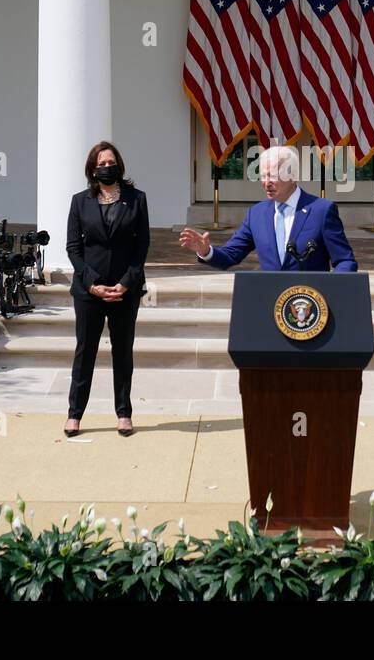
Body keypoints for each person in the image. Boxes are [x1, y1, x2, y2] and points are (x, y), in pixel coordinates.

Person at [64, 141, 149, 438]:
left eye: (110, 162)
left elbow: (142, 246)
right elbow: (73, 248)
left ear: (119, 165)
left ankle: (123, 413)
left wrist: (126, 282)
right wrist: (92, 284)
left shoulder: (137, 199)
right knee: (84, 351)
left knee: (122, 352)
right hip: (90, 291)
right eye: (100, 164)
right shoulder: (79, 201)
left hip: (125, 290)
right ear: (92, 169)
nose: (106, 167)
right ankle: (75, 414)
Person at [178, 145, 357, 272]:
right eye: (263, 176)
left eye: (272, 175)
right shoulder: (257, 214)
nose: (266, 183)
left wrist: (333, 290)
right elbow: (230, 256)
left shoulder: (321, 211)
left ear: (292, 175)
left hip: (312, 306)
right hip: (272, 304)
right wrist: (205, 251)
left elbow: (345, 261)